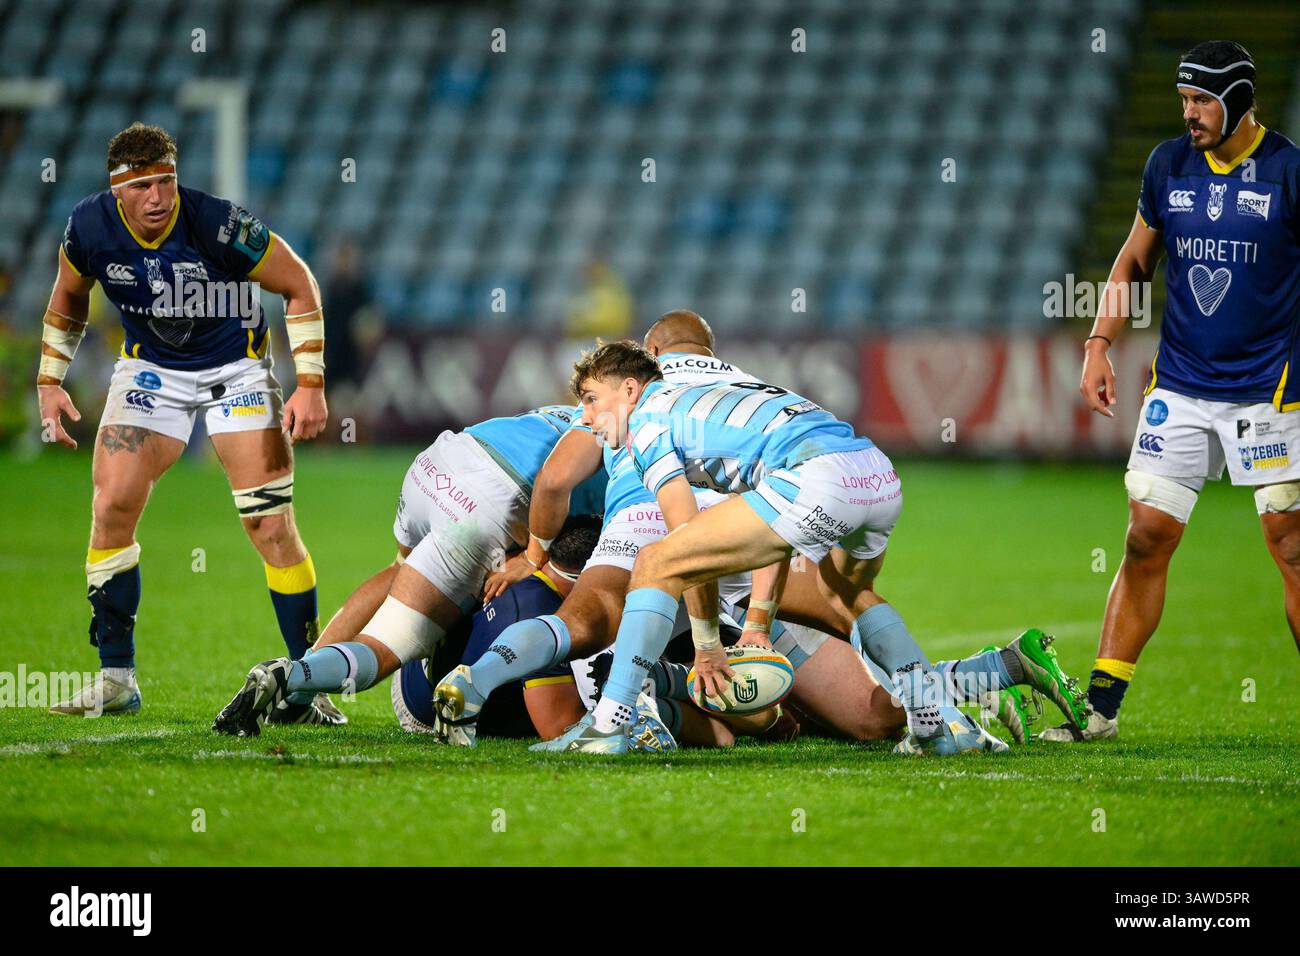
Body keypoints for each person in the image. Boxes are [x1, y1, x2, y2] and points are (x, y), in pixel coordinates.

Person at [40, 122, 331, 718]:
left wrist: (311, 383)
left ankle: (307, 684)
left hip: (237, 371)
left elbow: (298, 283)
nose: (158, 197)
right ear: (117, 190)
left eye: (167, 181)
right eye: (143, 185)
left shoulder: (218, 223)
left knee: (270, 526)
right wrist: (49, 379)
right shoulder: (88, 226)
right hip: (151, 374)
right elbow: (70, 294)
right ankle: (117, 679)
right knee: (111, 504)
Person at [1063, 40, 1300, 742]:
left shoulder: (1289, 171)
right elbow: (1134, 259)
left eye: (1203, 100)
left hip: (1270, 391)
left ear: (1239, 100)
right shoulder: (1169, 164)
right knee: (1145, 537)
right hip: (1185, 387)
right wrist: (1099, 343)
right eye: (1184, 100)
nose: (1190, 114)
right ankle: (1100, 710)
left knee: (1290, 546)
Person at [211, 403, 606, 735]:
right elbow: (554, 485)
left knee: (401, 569)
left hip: (440, 462)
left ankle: (301, 694)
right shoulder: (630, 444)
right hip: (484, 506)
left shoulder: (579, 409)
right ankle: (291, 677)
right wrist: (535, 557)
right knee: (384, 649)